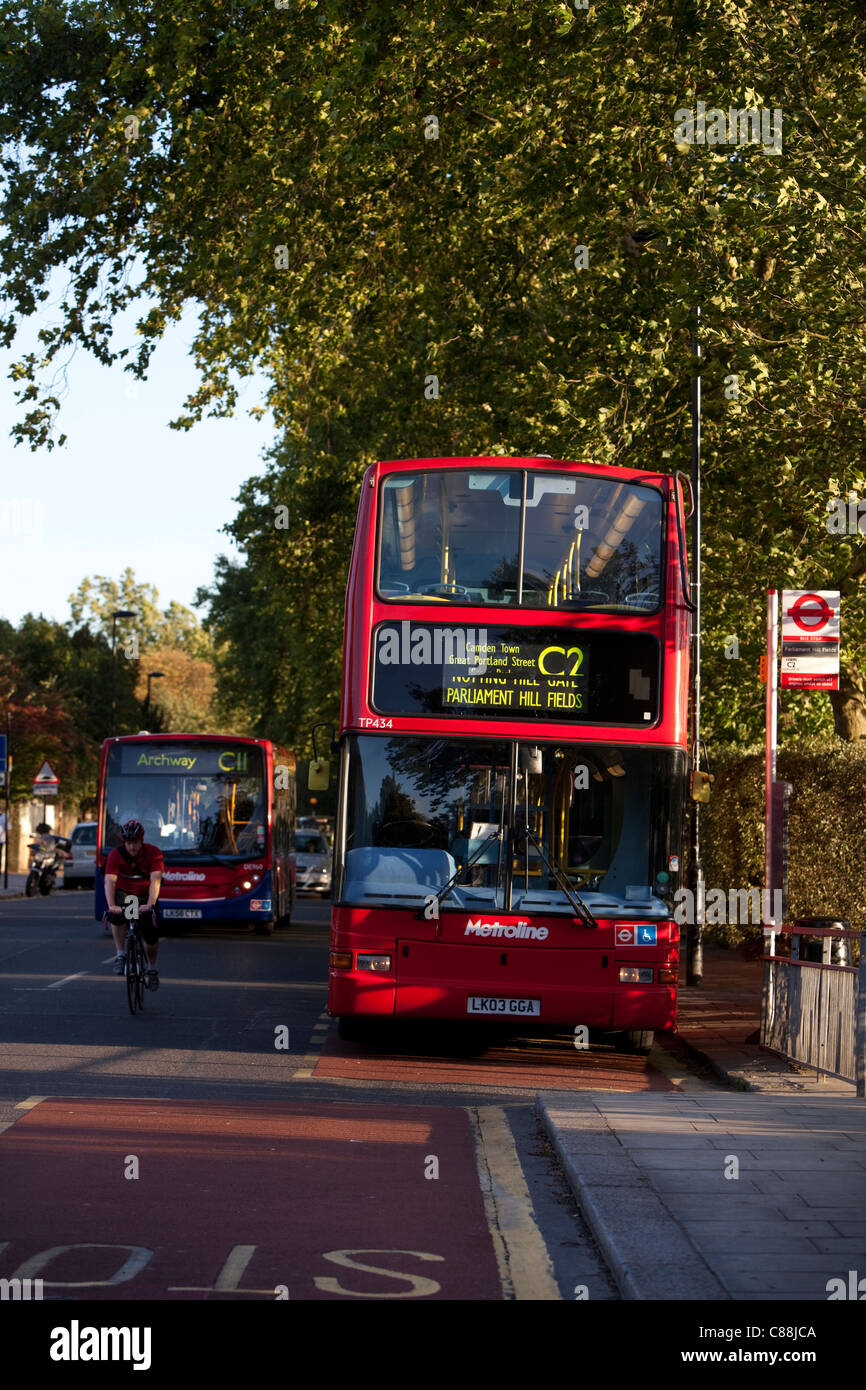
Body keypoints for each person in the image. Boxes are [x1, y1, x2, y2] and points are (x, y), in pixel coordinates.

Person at [104, 819, 164, 990]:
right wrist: (111, 905)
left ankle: (152, 969)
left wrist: (150, 904)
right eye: (129, 843)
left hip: (146, 895)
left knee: (150, 936)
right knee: (117, 916)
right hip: (126, 894)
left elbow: (155, 880)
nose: (132, 847)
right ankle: (121, 954)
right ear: (124, 842)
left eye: (135, 843)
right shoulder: (116, 855)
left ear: (142, 841)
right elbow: (109, 881)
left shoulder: (154, 853)